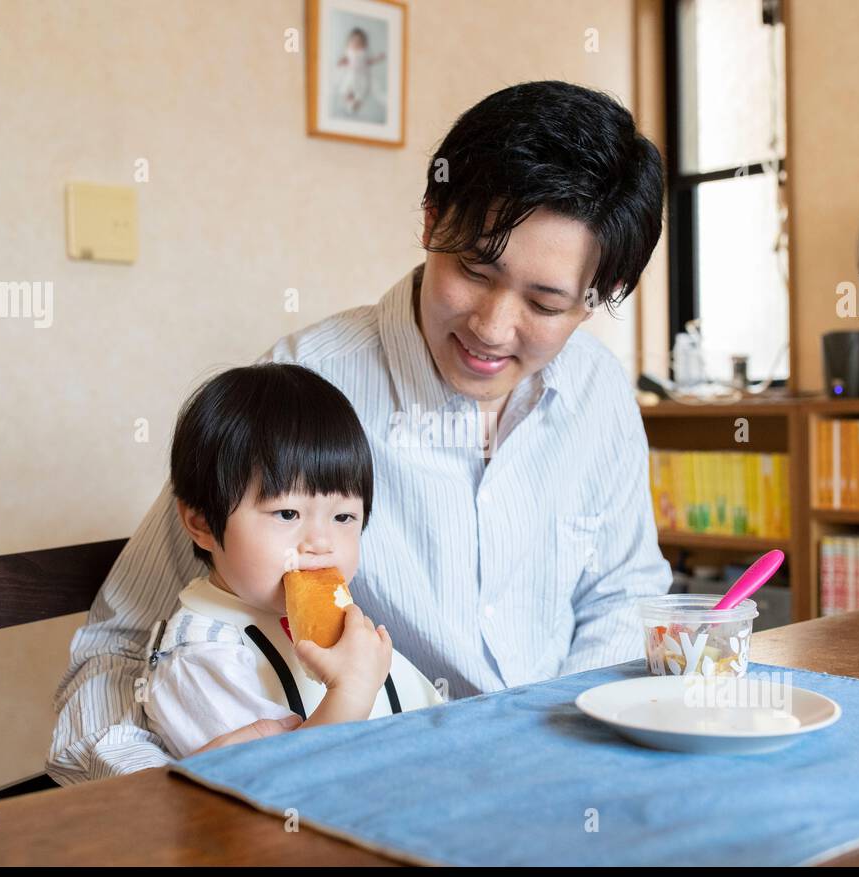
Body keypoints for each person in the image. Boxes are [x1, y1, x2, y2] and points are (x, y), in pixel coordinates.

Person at [47, 79, 671, 783]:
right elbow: (118, 649)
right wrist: (169, 790)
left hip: (564, 779)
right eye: (473, 270)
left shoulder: (599, 391)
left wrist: (555, 748)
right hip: (366, 793)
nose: (493, 329)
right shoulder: (303, 388)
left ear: (595, 301)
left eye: (545, 302)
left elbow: (625, 596)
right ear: (432, 219)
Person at [141, 363, 443, 760]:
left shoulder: (338, 619)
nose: (321, 543)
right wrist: (349, 693)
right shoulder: (198, 659)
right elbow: (273, 785)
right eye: (287, 514)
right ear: (202, 524)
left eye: (343, 517)